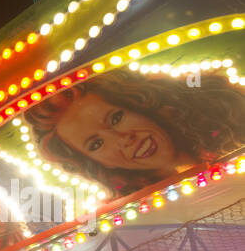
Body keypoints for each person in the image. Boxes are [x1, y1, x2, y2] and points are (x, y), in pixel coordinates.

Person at [24, 70, 245, 198]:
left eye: (116, 118)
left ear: (139, 105)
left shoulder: (232, 121)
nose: (123, 139)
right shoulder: (140, 212)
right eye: (96, 144)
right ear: (95, 163)